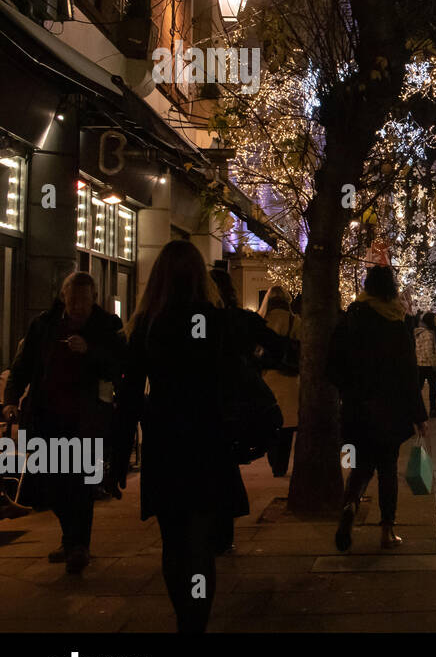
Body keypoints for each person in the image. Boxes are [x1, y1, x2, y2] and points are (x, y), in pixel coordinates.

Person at [119, 240, 248, 632]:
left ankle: (184, 618)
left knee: (174, 539)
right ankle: (195, 621)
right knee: (199, 541)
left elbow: (129, 394)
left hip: (165, 442)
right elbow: (233, 379)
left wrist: (119, 452)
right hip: (206, 440)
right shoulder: (213, 321)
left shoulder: (147, 325)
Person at [2, 272, 125, 573]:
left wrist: (90, 352)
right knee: (50, 482)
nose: (77, 305)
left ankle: (77, 545)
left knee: (80, 485)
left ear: (93, 299)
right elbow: (23, 365)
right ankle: (71, 539)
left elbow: (119, 366)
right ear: (63, 298)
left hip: (85, 421)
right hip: (47, 418)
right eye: (72, 299)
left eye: (83, 299)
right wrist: (10, 400)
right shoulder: (44, 325)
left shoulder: (106, 326)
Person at [328, 265, 428, 551]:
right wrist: (418, 414)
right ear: (391, 290)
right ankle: (387, 531)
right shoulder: (396, 322)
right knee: (387, 469)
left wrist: (349, 390)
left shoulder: (351, 318)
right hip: (390, 409)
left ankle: (349, 505)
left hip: (357, 408)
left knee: (359, 467)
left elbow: (332, 365)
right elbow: (410, 373)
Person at [209, 269, 282, 552]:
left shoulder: (195, 320)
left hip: (208, 405)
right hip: (234, 405)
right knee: (224, 464)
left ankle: (215, 532)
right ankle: (223, 535)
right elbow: (276, 347)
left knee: (213, 465)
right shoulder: (239, 320)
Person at [257, 285, 301, 433]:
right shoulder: (295, 321)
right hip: (290, 383)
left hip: (265, 383)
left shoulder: (260, 321)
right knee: (286, 434)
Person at [415, 312, 436, 418]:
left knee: (419, 388)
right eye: (435, 320)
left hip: (420, 363)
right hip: (428, 365)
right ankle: (432, 410)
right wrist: (434, 364)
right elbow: (429, 350)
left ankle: (417, 410)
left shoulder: (420, 332)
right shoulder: (428, 333)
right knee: (432, 388)